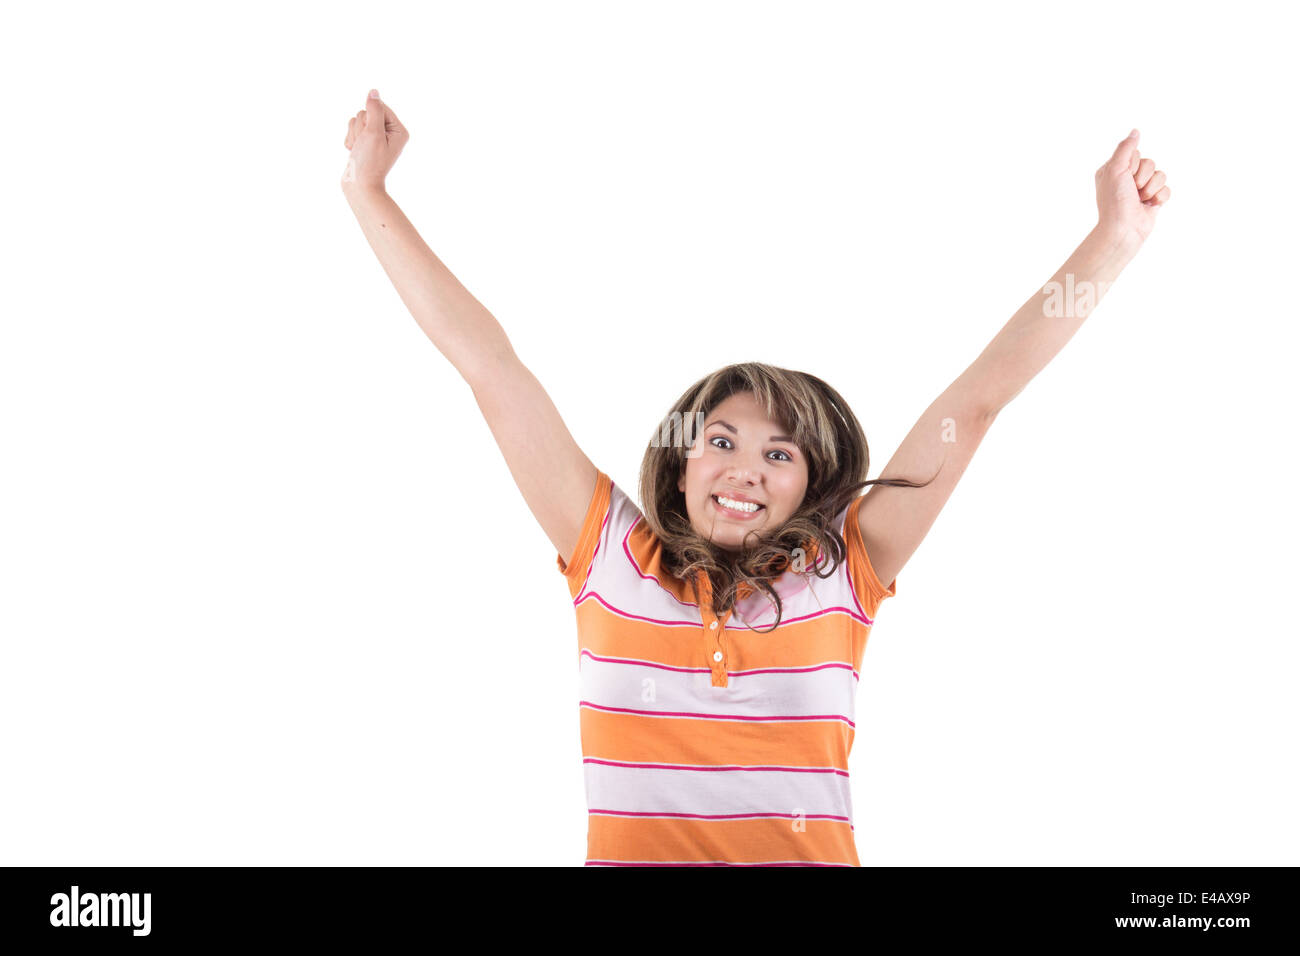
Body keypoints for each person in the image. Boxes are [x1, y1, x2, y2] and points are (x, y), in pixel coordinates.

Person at [340, 90, 1171, 865]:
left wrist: (1115, 239)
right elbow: (490, 369)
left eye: (779, 454)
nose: (743, 471)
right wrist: (369, 193)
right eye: (722, 442)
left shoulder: (845, 569)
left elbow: (978, 400)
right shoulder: (607, 553)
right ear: (682, 459)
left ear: (812, 486)